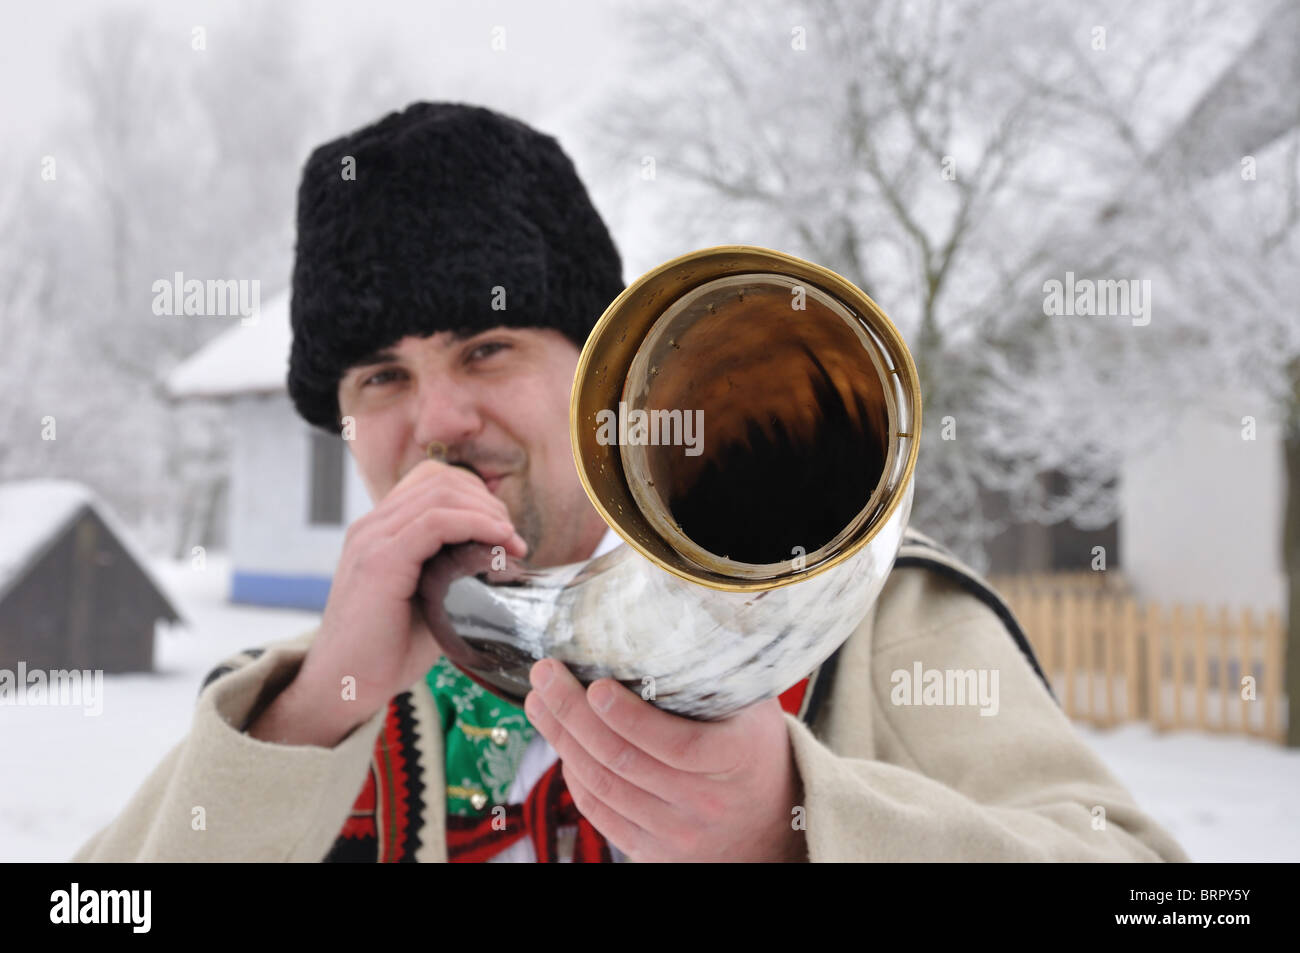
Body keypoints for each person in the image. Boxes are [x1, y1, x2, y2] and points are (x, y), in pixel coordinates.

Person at [73, 102, 1189, 863]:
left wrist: (798, 825)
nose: (439, 419)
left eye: (487, 347)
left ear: (603, 373)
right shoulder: (280, 705)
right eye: (380, 376)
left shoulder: (889, 623)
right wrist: (309, 719)